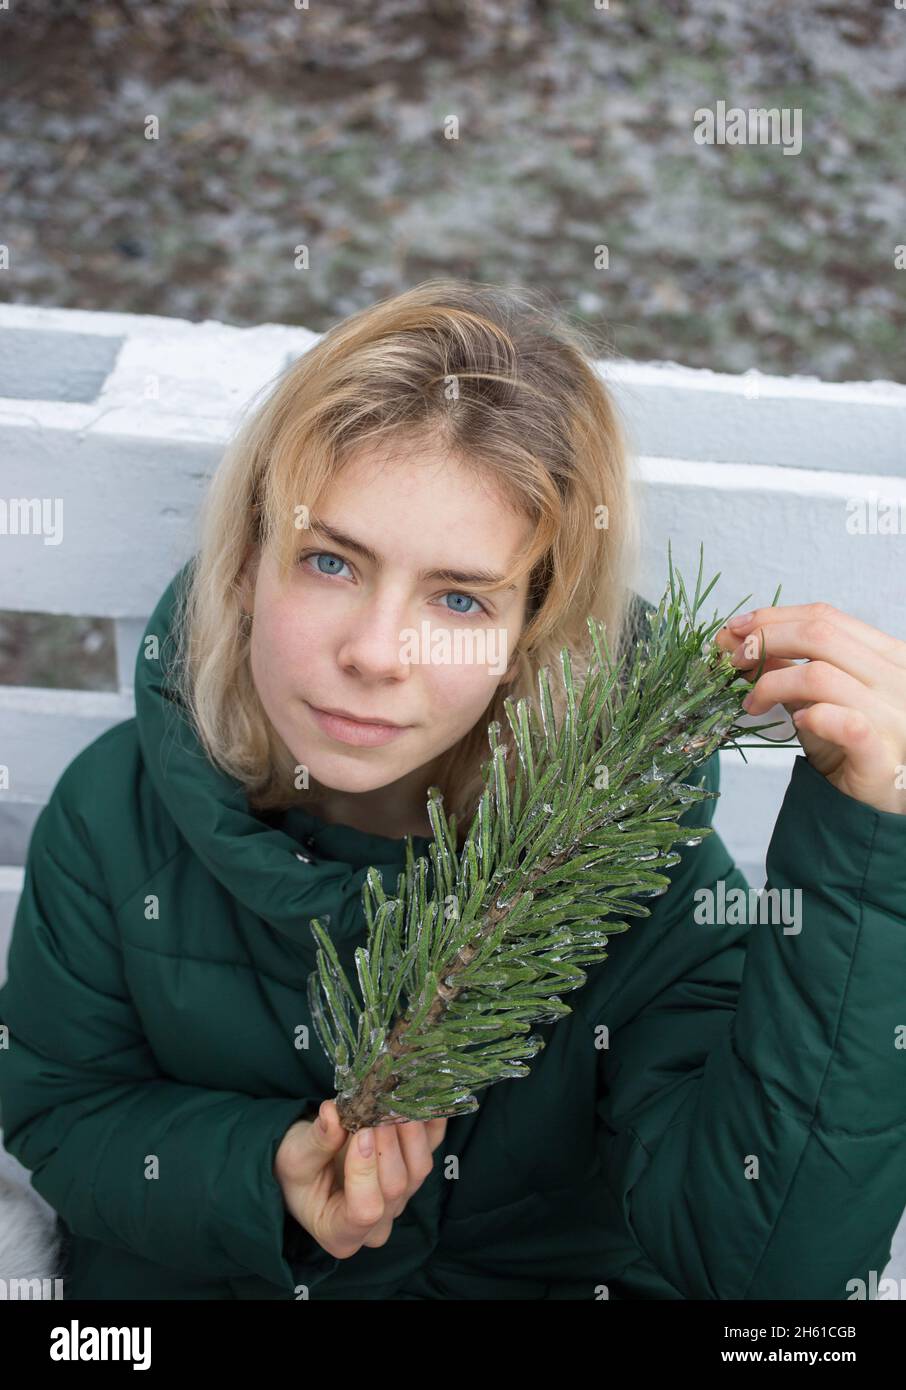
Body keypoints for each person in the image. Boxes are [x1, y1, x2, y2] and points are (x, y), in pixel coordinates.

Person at [0, 280, 903, 1301]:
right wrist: (265, 1175)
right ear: (250, 560)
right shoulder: (113, 820)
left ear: (534, 630)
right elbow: (65, 1109)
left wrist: (865, 865)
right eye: (332, 561)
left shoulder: (629, 870)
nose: (377, 652)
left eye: (461, 596)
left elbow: (771, 1268)